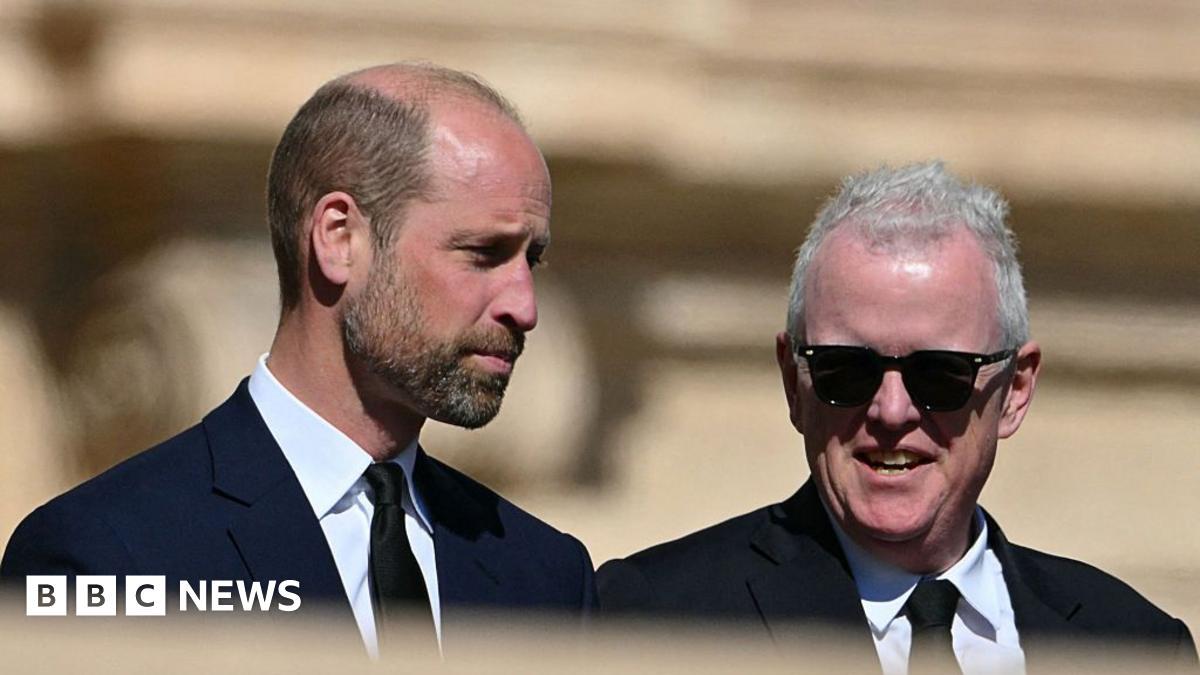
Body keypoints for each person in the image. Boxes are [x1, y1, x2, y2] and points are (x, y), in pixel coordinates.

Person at [2, 62, 596, 656]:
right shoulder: (106, 555)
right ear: (339, 239)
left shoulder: (546, 578)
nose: (524, 307)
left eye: (531, 261)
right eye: (483, 253)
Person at [596, 162, 1196, 672]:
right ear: (792, 380)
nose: (890, 410)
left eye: (940, 375)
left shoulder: (1135, 646)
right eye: (845, 371)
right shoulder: (654, 619)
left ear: (1015, 390)